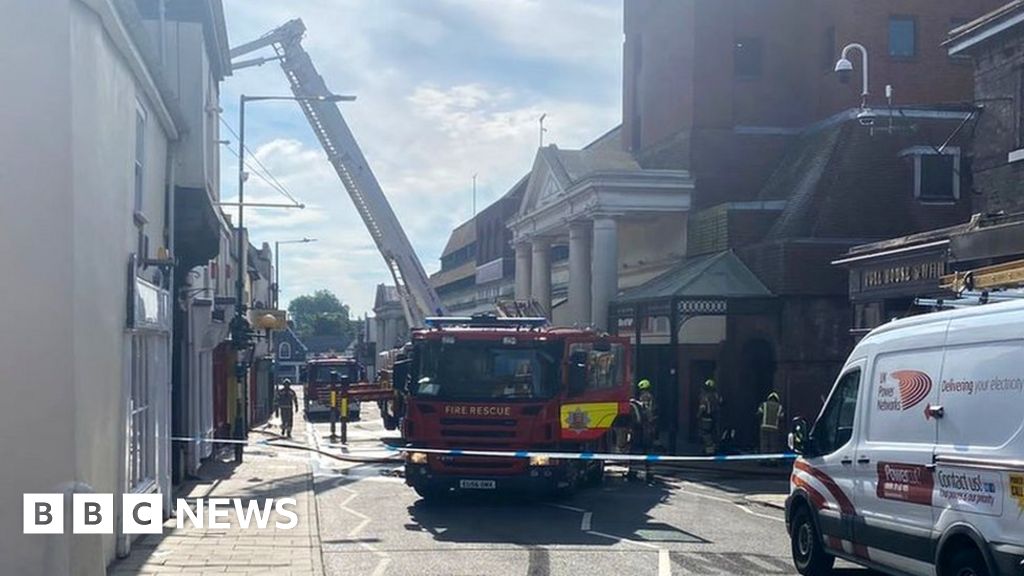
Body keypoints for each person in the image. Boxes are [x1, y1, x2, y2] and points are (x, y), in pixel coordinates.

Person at [698, 378, 722, 455]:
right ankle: (715, 448)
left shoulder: (705, 397)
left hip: (706, 417)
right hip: (715, 417)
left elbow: (702, 407)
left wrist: (698, 415)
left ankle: (709, 450)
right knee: (713, 433)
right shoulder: (716, 395)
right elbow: (721, 402)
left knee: (705, 433)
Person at [757, 391, 784, 455]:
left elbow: (759, 413)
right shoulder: (780, 407)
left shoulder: (764, 405)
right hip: (774, 428)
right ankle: (773, 460)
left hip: (764, 427)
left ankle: (764, 458)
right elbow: (782, 417)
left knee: (764, 443)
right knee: (773, 444)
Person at [637, 379, 658, 450]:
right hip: (651, 417)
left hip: (647, 418)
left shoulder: (645, 396)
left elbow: (646, 408)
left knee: (646, 434)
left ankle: (646, 448)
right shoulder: (650, 396)